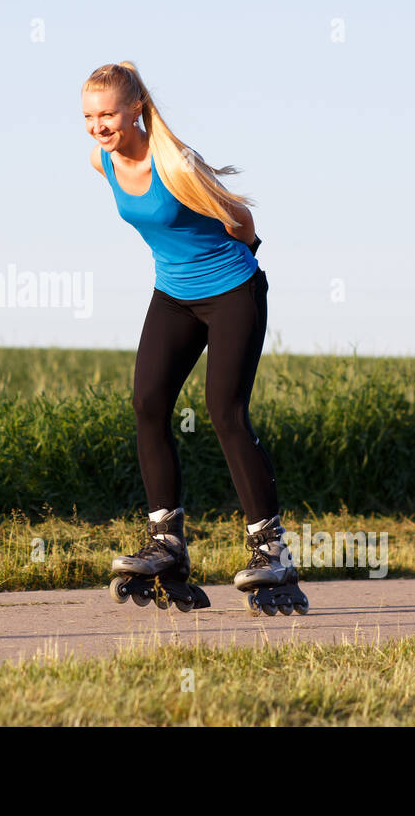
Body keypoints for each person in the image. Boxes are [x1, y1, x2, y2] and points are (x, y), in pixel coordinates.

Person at [82, 61, 306, 614]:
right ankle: (167, 544)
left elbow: (239, 219)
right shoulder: (101, 161)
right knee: (147, 403)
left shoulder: (175, 163)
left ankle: (270, 550)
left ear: (135, 108)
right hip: (174, 294)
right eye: (89, 116)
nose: (98, 125)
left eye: (108, 113)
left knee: (225, 411)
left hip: (232, 290)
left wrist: (243, 271)